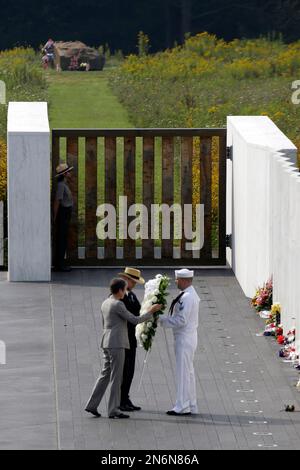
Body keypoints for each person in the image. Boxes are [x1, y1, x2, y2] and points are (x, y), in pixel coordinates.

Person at [85, 278, 162, 419]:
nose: (126, 292)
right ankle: (113, 410)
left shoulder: (105, 302)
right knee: (116, 377)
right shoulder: (118, 304)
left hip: (106, 342)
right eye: (125, 289)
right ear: (120, 290)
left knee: (105, 375)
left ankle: (92, 404)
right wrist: (151, 311)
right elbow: (135, 320)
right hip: (117, 343)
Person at [159, 269, 200, 416]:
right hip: (187, 337)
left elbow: (181, 320)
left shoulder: (187, 297)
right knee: (188, 372)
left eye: (177, 279)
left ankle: (182, 405)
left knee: (183, 372)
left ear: (184, 280)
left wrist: (162, 320)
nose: (175, 282)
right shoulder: (187, 294)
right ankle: (190, 403)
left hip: (184, 337)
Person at [118, 267, 145, 412]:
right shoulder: (120, 296)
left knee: (130, 370)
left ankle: (126, 397)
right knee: (123, 370)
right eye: (133, 281)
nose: (134, 284)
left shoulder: (132, 295)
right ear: (126, 280)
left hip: (131, 339)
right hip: (123, 338)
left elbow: (139, 310)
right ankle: (120, 400)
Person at [53, 163, 74, 272]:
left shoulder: (65, 184)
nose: (70, 173)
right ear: (65, 174)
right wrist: (55, 217)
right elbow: (57, 201)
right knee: (61, 240)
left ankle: (60, 264)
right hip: (62, 214)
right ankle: (59, 265)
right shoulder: (61, 186)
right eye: (69, 172)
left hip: (65, 214)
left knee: (63, 239)